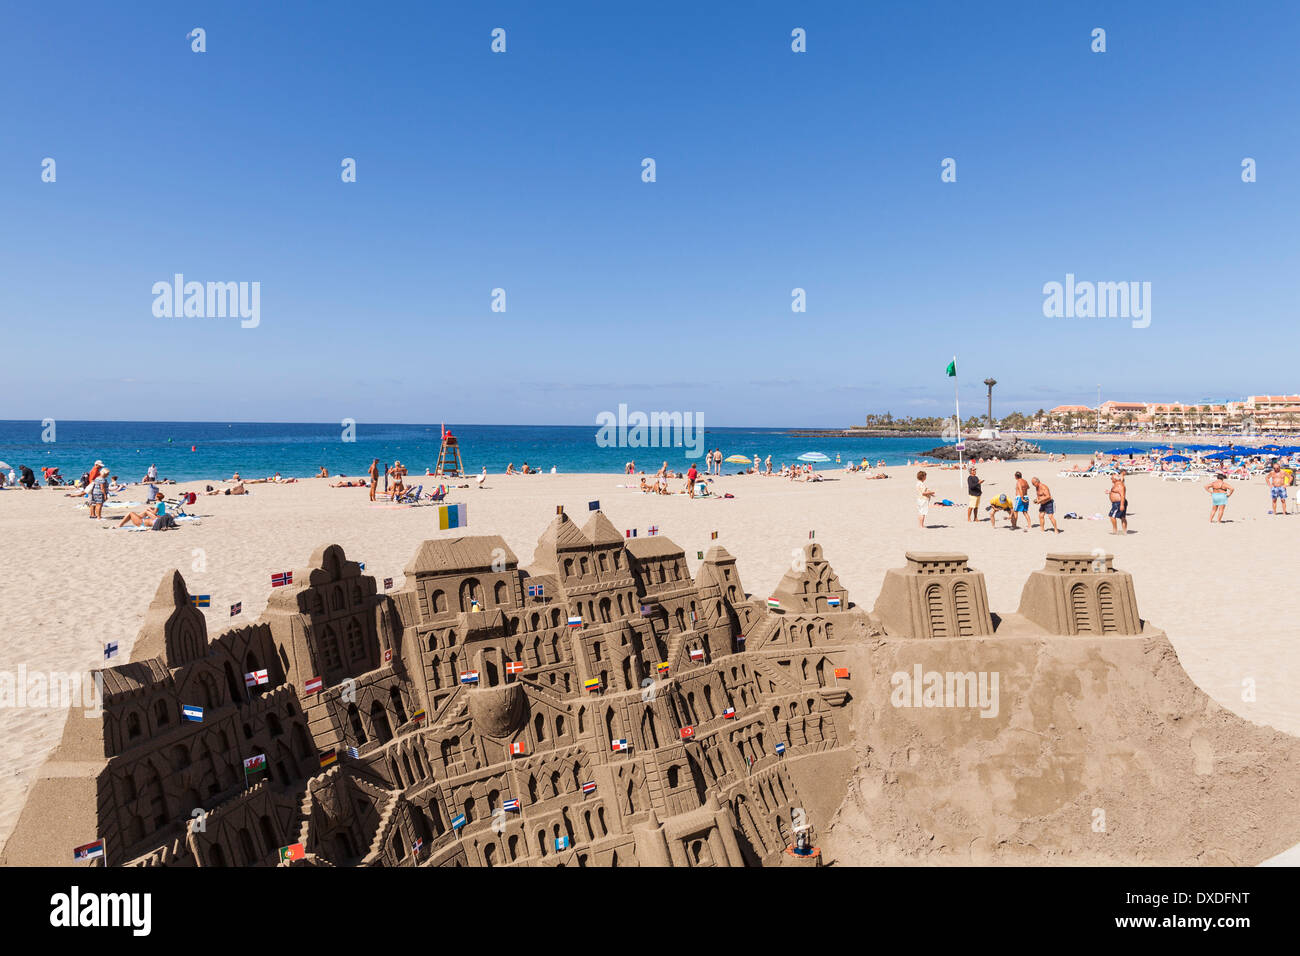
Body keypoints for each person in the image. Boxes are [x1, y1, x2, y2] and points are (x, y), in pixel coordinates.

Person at [1108, 470, 1128, 534]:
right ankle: (1124, 531)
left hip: (1119, 503)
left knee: (1112, 516)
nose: (1111, 480)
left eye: (1112, 478)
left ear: (1116, 479)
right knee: (1122, 517)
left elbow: (1122, 495)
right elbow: (1116, 492)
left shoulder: (1120, 485)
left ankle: (1115, 530)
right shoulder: (1116, 484)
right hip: (1117, 503)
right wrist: (1110, 492)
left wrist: (1122, 505)